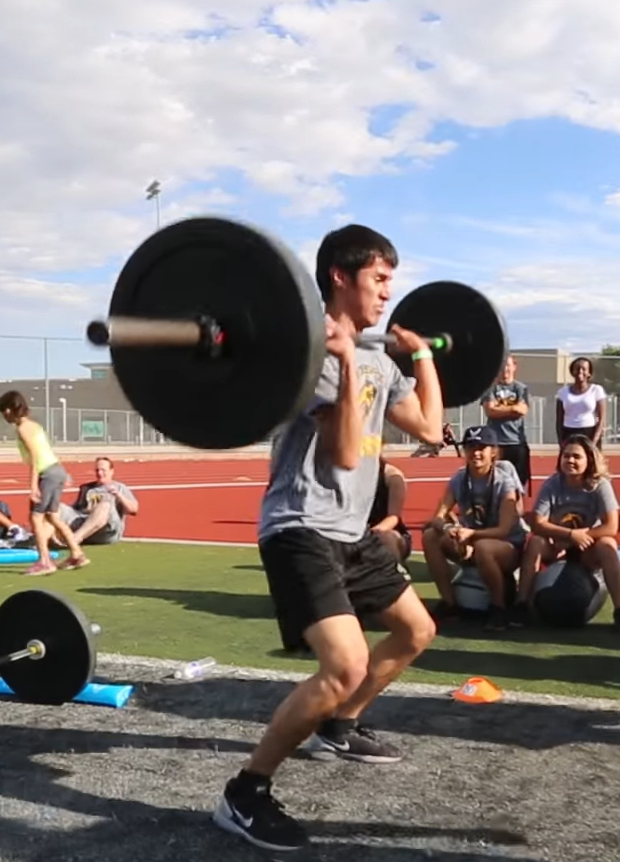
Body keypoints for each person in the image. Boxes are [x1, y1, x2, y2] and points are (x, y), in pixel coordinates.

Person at [215, 223, 445, 853]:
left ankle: (337, 728)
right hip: (301, 526)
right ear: (341, 277)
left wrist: (420, 357)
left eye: (391, 279)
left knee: (417, 631)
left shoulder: (373, 354)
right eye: (378, 278)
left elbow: (428, 428)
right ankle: (246, 791)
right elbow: (345, 453)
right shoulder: (314, 353)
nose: (387, 291)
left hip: (352, 530)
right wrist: (344, 362)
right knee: (345, 664)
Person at [517, 434, 620, 633]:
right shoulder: (552, 484)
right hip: (558, 547)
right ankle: (521, 604)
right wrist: (570, 536)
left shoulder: (600, 485)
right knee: (536, 541)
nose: (570, 460)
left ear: (589, 460)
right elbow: (537, 523)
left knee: (608, 544)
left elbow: (611, 526)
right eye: (566, 456)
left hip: (587, 549)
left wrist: (583, 536)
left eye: (576, 457)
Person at [421, 426, 527, 630]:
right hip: (470, 541)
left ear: (493, 452)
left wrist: (472, 535)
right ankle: (450, 604)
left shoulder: (504, 482)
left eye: (481, 447)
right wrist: (448, 529)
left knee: (484, 548)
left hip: (507, 547)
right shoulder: (459, 478)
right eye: (470, 447)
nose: (475, 453)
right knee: (430, 536)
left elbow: (505, 529)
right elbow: (438, 516)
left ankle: (499, 608)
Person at [0, 391, 88, 576]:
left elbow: (35, 455)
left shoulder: (23, 428)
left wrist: (33, 486)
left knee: (36, 518)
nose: (3, 416)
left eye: (3, 412)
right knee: (53, 516)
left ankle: (44, 561)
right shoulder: (34, 425)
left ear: (8, 410)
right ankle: (77, 553)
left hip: (47, 473)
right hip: (56, 470)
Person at [53, 457, 140, 548]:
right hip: (85, 525)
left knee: (104, 505)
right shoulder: (86, 488)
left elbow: (134, 509)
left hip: (106, 531)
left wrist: (118, 495)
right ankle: (48, 539)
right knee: (55, 507)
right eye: (97, 470)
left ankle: (75, 539)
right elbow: (76, 510)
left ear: (111, 471)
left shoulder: (119, 488)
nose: (99, 473)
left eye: (103, 470)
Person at [480, 356, 532, 490]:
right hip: (496, 442)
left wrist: (500, 407)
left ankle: (516, 508)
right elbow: (490, 411)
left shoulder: (521, 388)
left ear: (514, 367)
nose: (505, 369)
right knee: (493, 479)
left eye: (508, 365)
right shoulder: (490, 388)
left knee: (519, 482)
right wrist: (513, 408)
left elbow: (522, 410)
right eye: (502, 366)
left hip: (517, 442)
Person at [554, 357, 607, 447]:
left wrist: (594, 441)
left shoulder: (596, 390)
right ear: (572, 372)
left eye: (584, 369)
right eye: (577, 369)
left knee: (591, 460)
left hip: (589, 432)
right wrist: (561, 441)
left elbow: (601, 419)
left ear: (589, 372)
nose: (580, 371)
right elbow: (559, 420)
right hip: (569, 432)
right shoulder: (562, 392)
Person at [368, 459, 412, 563]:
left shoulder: (392, 477)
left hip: (388, 533)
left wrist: (370, 534)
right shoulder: (343, 475)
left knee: (386, 537)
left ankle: (395, 574)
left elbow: (393, 517)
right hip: (352, 533)